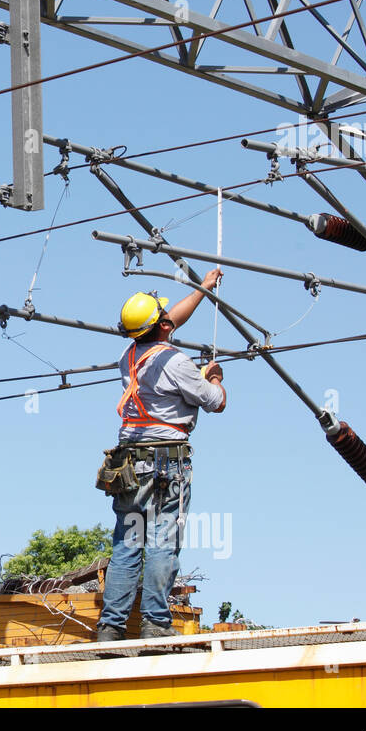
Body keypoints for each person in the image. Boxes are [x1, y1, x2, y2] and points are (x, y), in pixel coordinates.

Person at [97, 270, 227, 642]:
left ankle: (111, 627)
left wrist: (203, 288)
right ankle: (155, 624)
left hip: (129, 462)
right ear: (162, 326)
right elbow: (216, 403)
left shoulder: (130, 356)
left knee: (127, 541)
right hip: (167, 462)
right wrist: (214, 377)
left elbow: (168, 322)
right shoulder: (176, 362)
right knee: (161, 541)